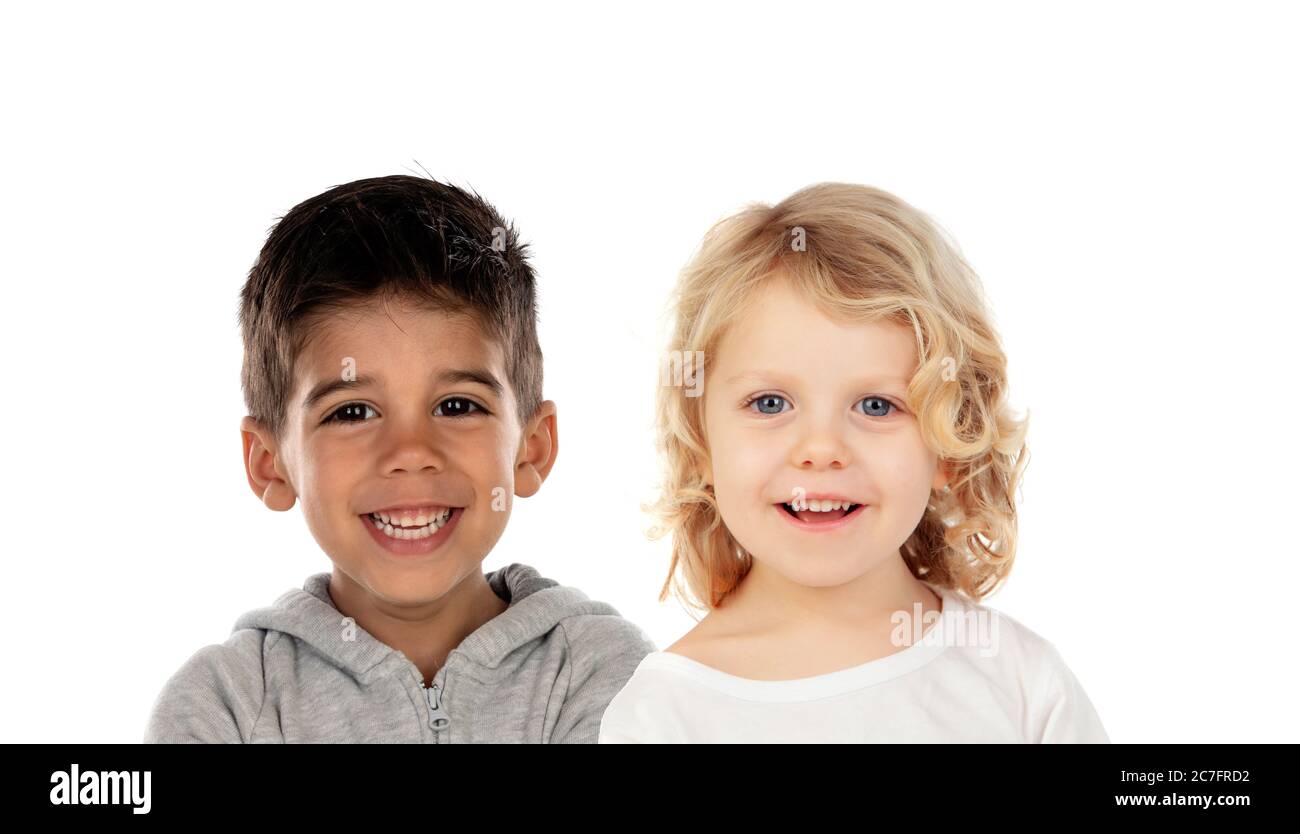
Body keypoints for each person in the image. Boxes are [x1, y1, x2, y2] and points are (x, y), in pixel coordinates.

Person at [144, 175, 655, 743]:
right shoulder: (225, 706)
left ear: (531, 448)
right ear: (269, 463)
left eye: (457, 405)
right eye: (352, 412)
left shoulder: (605, 674)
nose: (410, 453)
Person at [599, 183, 1108, 743]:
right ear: (701, 442)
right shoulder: (663, 716)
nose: (821, 449)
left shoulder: (1021, 686)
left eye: (876, 405)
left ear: (950, 443)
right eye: (770, 403)